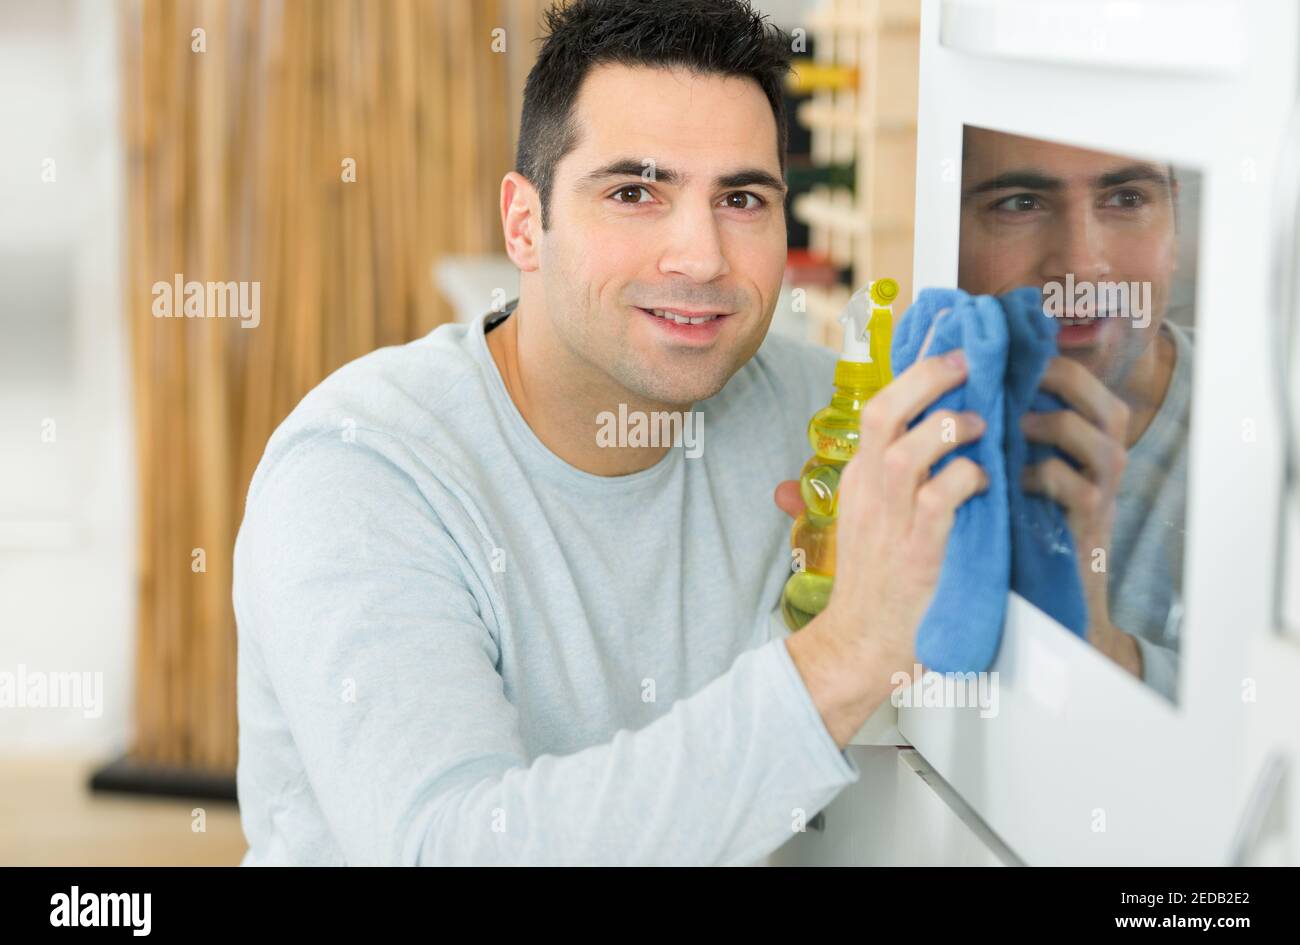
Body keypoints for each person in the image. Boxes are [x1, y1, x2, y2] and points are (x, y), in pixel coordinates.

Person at [233, 0, 988, 865]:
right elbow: (450, 849)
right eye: (635, 192)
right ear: (525, 224)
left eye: (742, 198)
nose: (701, 257)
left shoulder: (828, 423)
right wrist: (847, 654)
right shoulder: (358, 474)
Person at [956, 127, 1191, 700]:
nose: (1083, 270)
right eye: (1020, 204)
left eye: (1127, 198)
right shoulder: (911, 420)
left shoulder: (1267, 431)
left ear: (1174, 220)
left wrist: (1099, 648)